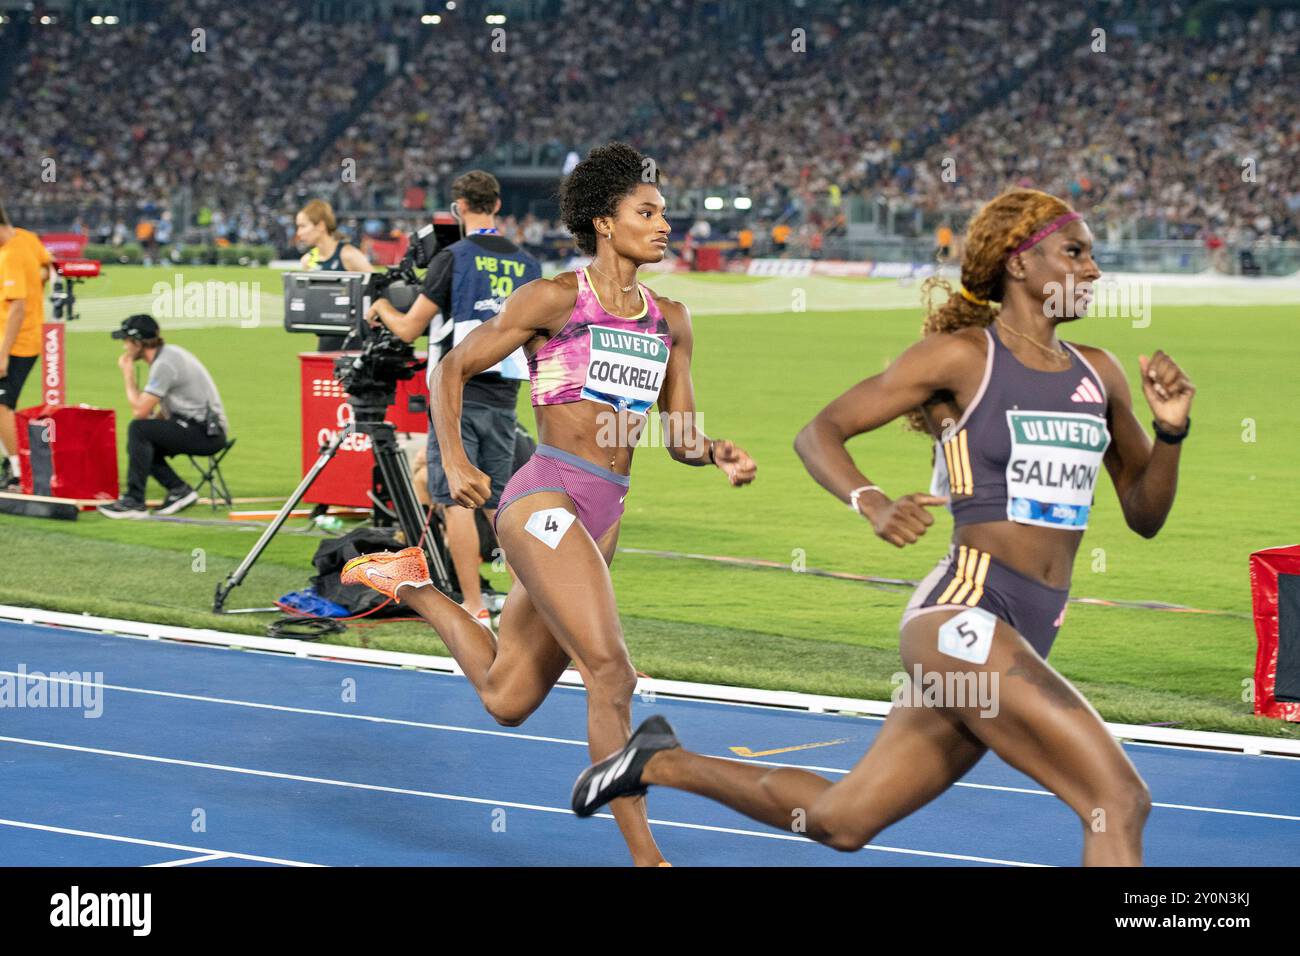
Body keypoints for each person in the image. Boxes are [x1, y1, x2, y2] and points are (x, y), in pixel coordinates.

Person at [571, 188, 1195, 867]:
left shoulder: (1098, 374)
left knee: (843, 819)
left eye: (1093, 258)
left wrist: (1171, 432)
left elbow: (1145, 514)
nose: (1094, 272)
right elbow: (821, 433)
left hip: (1029, 629)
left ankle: (659, 763)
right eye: (1076, 253)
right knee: (1119, 799)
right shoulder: (962, 359)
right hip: (964, 614)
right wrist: (869, 501)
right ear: (1020, 264)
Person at [341, 143, 757, 865]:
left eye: (665, 213)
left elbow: (681, 437)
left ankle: (409, 582)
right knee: (611, 671)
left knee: (508, 698)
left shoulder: (673, 321)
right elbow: (450, 368)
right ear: (605, 222)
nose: (665, 225)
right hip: (546, 496)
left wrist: (715, 450)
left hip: (606, 514)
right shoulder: (555, 299)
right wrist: (458, 459)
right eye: (647, 212)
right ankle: (647, 857)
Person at [365, 170, 541, 626]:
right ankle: (528, 604)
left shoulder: (454, 258)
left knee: (454, 496)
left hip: (457, 391)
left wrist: (377, 304)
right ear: (497, 206)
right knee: (496, 500)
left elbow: (407, 328)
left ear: (459, 207)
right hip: (507, 393)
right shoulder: (528, 264)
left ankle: (475, 605)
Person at [99, 315, 230, 519]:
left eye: (126, 341)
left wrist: (128, 374)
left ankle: (134, 501)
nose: (124, 346)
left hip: (206, 433)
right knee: (142, 439)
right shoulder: (168, 356)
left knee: (138, 429)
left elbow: (139, 411)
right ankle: (179, 490)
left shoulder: (164, 364)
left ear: (138, 342)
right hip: (200, 428)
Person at [0, 202, 53, 489]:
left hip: (17, 342)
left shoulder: (10, 256)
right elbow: (48, 266)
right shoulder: (28, 238)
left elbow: (18, 308)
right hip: (23, 337)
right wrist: (37, 284)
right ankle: (14, 465)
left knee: (1, 405)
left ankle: (18, 471)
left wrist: (3, 354)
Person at [295, 199, 373, 350]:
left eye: (303, 226)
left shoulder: (349, 255)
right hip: (326, 340)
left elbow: (377, 289)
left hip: (356, 342)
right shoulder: (307, 261)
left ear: (321, 226)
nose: (299, 233)